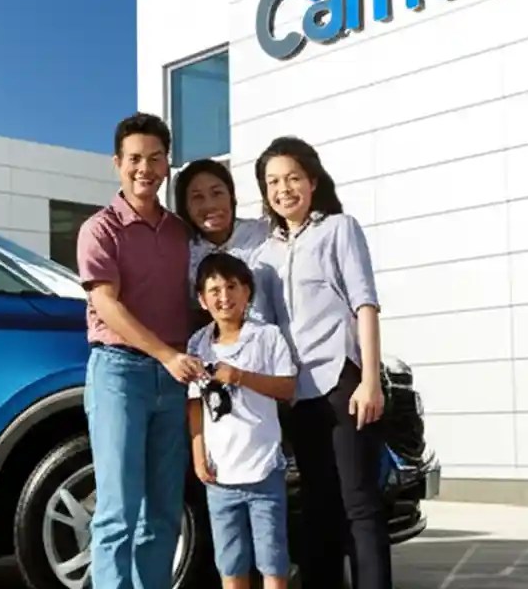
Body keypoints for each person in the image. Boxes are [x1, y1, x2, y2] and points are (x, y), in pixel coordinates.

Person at [251, 136, 392, 589]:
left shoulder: (339, 229)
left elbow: (365, 304)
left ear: (312, 181)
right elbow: (264, 328)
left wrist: (370, 381)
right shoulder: (265, 255)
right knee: (317, 506)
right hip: (298, 395)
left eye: (292, 178)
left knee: (359, 504)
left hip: (342, 383)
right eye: (273, 182)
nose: (283, 189)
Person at [76, 112, 208, 589]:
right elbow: (106, 305)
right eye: (134, 158)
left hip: (173, 381)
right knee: (118, 512)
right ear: (117, 163)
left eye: (155, 158)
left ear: (167, 164)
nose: (144, 169)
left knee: (163, 513)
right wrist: (165, 355)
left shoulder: (180, 232)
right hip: (119, 374)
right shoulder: (100, 229)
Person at [186, 252, 298, 589]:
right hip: (220, 477)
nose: (224, 296)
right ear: (202, 299)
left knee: (272, 562)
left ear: (247, 291)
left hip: (264, 471)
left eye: (232, 286)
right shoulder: (198, 344)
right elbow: (195, 406)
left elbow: (287, 387)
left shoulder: (268, 336)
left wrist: (240, 377)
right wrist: (198, 457)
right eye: (214, 290)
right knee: (230, 563)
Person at [173, 158, 272, 326]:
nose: (210, 205)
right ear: (185, 207)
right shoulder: (184, 255)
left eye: (217, 193)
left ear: (232, 197)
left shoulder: (263, 233)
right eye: (197, 197)